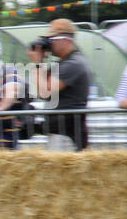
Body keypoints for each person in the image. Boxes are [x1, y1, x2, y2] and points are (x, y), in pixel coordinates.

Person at [28, 18, 92, 150]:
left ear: (66, 40)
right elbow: (39, 87)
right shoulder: (63, 63)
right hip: (60, 132)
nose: (49, 44)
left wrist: (38, 64)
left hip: (67, 134)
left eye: (52, 40)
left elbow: (44, 92)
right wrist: (41, 59)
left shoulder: (73, 63)